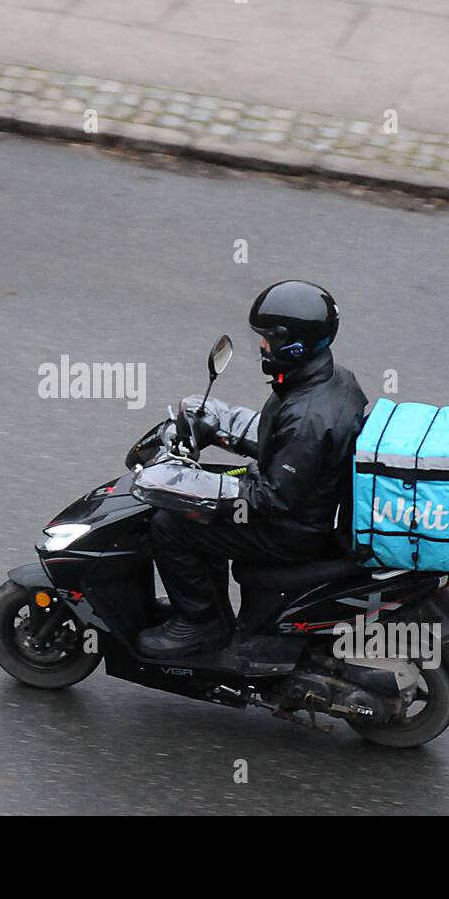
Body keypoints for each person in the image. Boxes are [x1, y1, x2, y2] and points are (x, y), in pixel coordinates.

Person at [136, 280, 368, 659]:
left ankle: (202, 624)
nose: (262, 346)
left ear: (296, 342)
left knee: (171, 523)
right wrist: (219, 427)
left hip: (292, 531)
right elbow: (284, 445)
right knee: (199, 504)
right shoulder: (331, 379)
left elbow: (273, 498)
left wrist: (190, 486)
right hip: (312, 503)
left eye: (270, 338)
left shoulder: (308, 415)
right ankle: (206, 608)